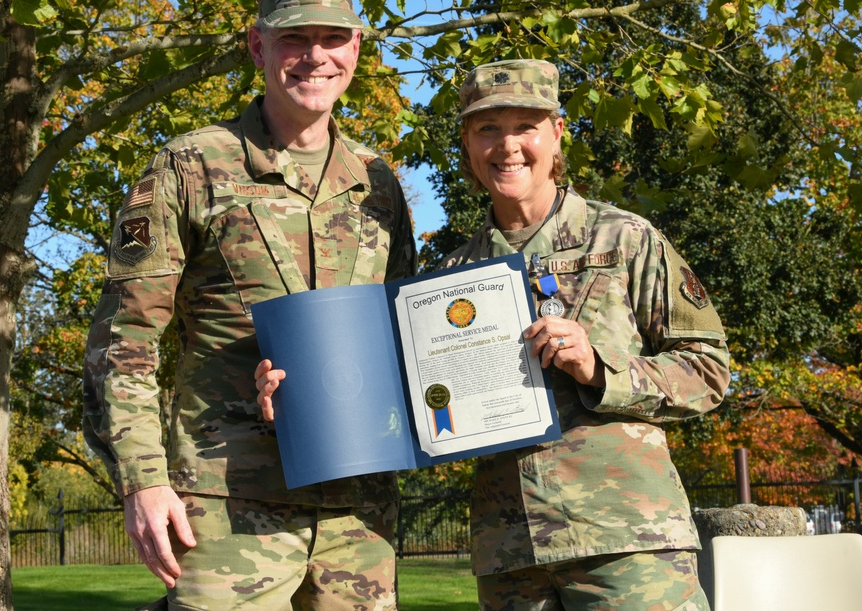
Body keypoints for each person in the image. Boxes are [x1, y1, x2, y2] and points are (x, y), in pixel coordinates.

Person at [259, 59, 731, 611]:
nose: (507, 146)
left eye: (525, 127)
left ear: (556, 135)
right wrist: (302, 401)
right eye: (488, 129)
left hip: (626, 542)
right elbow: (403, 405)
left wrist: (601, 369)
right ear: (467, 143)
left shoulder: (624, 239)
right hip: (510, 555)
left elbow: (708, 370)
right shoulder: (447, 280)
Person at [83, 0, 416, 611]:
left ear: (357, 46)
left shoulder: (380, 185)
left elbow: (401, 337)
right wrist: (142, 479)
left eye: (333, 38)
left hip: (359, 511)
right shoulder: (190, 165)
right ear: (258, 44)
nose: (315, 57)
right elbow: (124, 337)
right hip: (228, 498)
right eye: (294, 38)